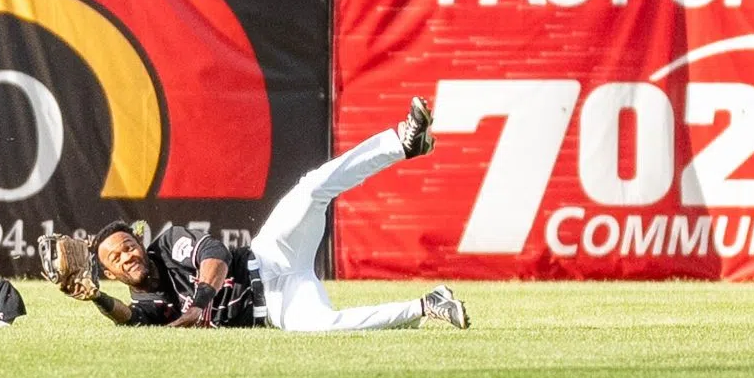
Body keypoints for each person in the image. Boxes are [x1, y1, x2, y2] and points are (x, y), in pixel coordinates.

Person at [80, 97, 470, 332]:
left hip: (270, 254)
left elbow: (213, 253)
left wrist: (200, 301)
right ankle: (428, 304)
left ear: (139, 243)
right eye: (115, 259)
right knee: (321, 327)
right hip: (277, 306)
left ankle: (403, 143)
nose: (127, 256)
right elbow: (130, 318)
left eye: (128, 246)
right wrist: (96, 298)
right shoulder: (150, 304)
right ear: (112, 274)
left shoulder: (166, 245)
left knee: (312, 188)